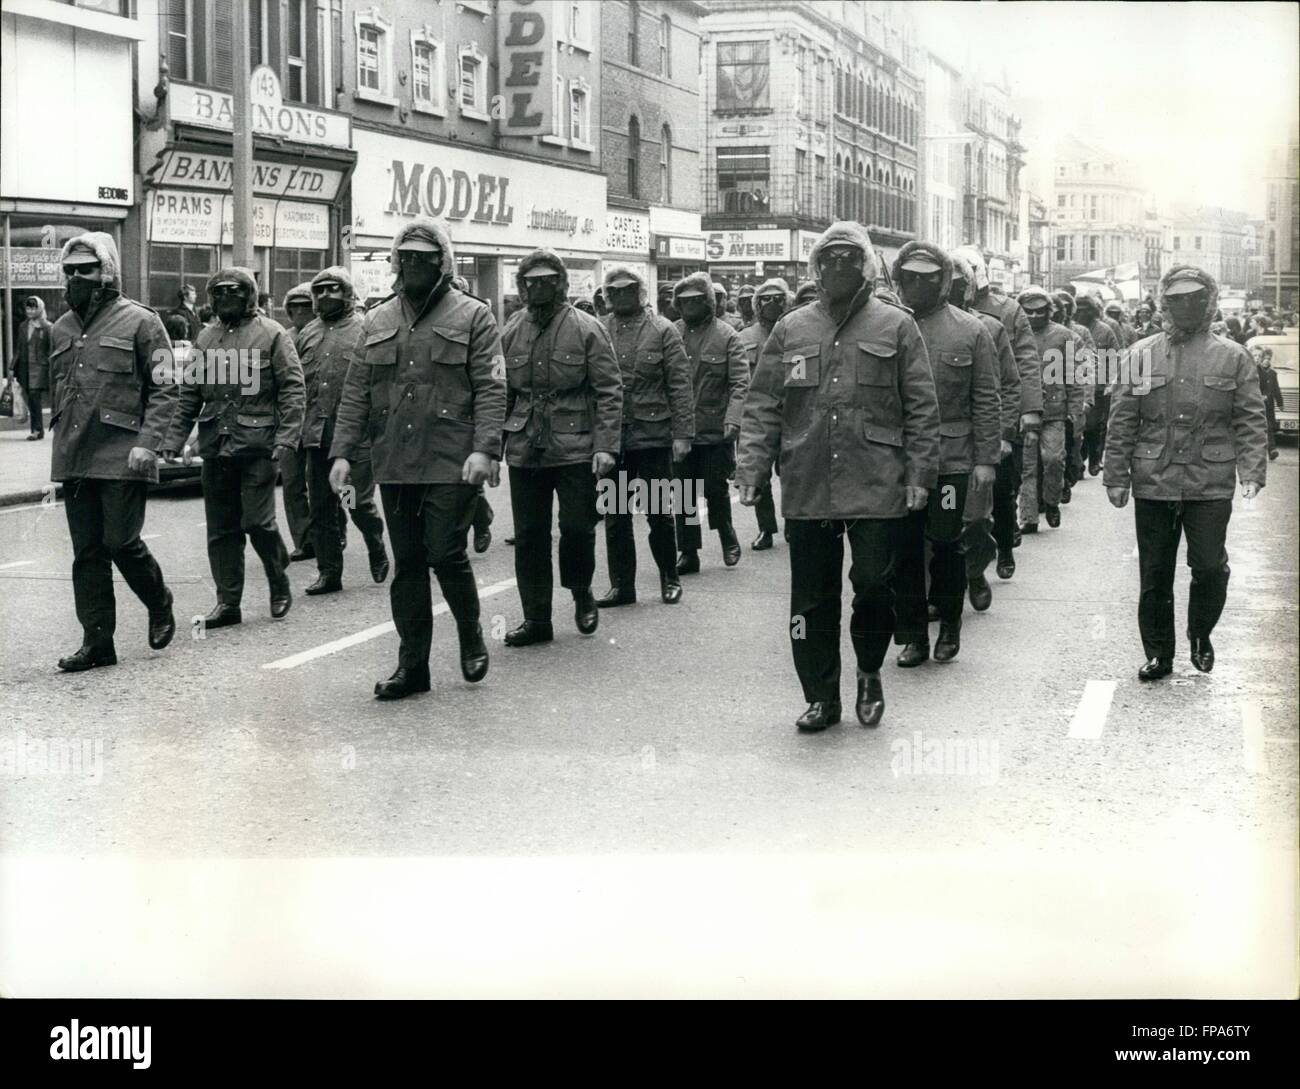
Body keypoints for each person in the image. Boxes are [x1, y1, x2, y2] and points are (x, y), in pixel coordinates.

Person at [737, 221, 941, 732]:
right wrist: (752, 468)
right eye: (829, 259)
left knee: (873, 585)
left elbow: (920, 407)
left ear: (867, 266)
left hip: (877, 479)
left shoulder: (896, 326)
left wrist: (920, 473)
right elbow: (763, 402)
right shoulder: (792, 327)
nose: (839, 267)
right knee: (810, 598)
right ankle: (820, 696)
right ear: (816, 268)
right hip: (808, 478)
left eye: (850, 259)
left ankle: (869, 670)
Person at [331, 217, 503, 698]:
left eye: (423, 259)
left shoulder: (474, 316)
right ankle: (413, 669)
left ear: (442, 263)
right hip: (396, 459)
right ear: (394, 262)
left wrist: (485, 449)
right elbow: (356, 394)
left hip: (452, 457)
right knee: (408, 563)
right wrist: (343, 452)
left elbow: (492, 388)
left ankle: (470, 633)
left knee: (446, 553)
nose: (411, 267)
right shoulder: (377, 320)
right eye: (404, 258)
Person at [1104, 265, 1267, 680]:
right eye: (1177, 299)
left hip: (1209, 480)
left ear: (1208, 302)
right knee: (1155, 572)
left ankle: (1200, 632)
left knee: (1210, 566)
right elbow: (1122, 419)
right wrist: (1116, 475)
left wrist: (1252, 470)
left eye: (1195, 298)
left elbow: (1250, 418)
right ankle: (1159, 652)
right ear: (1166, 304)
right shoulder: (1140, 353)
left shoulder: (1233, 356)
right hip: (1154, 479)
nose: (1186, 306)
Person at [48, 232, 178, 671]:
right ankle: (98, 643)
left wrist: (149, 443)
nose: (77, 277)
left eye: (86, 269)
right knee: (87, 553)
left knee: (122, 542)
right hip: (76, 454)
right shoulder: (61, 327)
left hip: (125, 451)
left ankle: (159, 601)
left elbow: (165, 387)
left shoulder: (141, 321)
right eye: (70, 270)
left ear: (107, 271)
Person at [160, 266, 305, 628]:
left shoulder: (272, 335)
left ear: (249, 296)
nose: (227, 299)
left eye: (235, 292)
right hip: (216, 445)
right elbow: (189, 394)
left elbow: (292, 389)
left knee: (258, 522)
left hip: (258, 445)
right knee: (221, 528)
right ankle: (228, 603)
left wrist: (287, 438)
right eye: (219, 293)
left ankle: (278, 579)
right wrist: (172, 441)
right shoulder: (205, 339)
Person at [499, 248, 622, 647]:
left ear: (561, 283)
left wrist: (606, 446)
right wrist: (490, 448)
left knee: (576, 528)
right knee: (530, 534)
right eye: (531, 281)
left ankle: (581, 591)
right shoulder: (512, 329)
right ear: (522, 286)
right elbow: (498, 392)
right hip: (524, 448)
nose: (539, 287)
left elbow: (608, 389)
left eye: (547, 280)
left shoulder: (587, 327)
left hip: (575, 446)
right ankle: (537, 618)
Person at [890, 242, 1000, 667]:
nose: (918, 285)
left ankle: (950, 625)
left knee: (945, 539)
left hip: (952, 460)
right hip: (899, 459)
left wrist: (987, 459)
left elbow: (986, 398)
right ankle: (914, 635)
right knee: (904, 547)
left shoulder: (971, 331)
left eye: (928, 278)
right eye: (910, 277)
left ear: (944, 282)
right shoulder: (890, 325)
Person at [595, 263, 694, 607]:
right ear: (608, 296)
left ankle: (670, 578)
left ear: (640, 293)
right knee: (616, 515)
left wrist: (683, 435)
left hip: (652, 436)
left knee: (659, 514)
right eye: (615, 291)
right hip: (613, 439)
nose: (622, 296)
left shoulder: (663, 330)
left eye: (628, 290)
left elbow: (680, 385)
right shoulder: (599, 329)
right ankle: (622, 586)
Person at [296, 266, 390, 595]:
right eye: (319, 290)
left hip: (355, 438)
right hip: (317, 436)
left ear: (348, 293)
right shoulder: (306, 333)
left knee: (354, 502)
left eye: (333, 289)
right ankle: (329, 572)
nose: (325, 295)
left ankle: (374, 541)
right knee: (321, 507)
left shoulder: (366, 329)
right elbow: (296, 386)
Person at [952, 245, 1042, 573]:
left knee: (1002, 490)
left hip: (1001, 413)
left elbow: (1025, 363)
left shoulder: (1007, 311)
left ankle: (1004, 547)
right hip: (954, 424)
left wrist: (1028, 414)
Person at [948, 252, 1019, 603]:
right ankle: (944, 592)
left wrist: (1002, 436)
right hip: (931, 446)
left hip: (976, 442)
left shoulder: (989, 328)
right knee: (938, 526)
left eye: (959, 285)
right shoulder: (909, 325)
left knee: (976, 519)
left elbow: (1007, 385)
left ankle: (975, 572)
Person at [671, 272, 749, 575]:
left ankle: (726, 534)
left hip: (715, 429)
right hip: (679, 430)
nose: (690, 306)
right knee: (684, 491)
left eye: (697, 300)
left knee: (716, 489)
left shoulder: (728, 335)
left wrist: (734, 418)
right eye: (684, 301)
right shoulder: (671, 333)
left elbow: (740, 383)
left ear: (709, 302)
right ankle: (688, 551)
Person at [1017, 286, 1084, 533]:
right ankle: (1028, 516)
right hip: (1023, 412)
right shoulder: (1014, 335)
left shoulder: (1064, 337)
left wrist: (1076, 410)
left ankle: (1051, 501)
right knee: (1027, 465)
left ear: (1050, 311)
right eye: (1029, 312)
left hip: (1055, 411)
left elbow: (1075, 376)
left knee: (1053, 460)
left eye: (1040, 311)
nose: (1034, 316)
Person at [737, 278, 791, 550]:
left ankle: (793, 522)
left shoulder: (795, 331)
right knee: (760, 476)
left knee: (790, 471)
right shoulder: (745, 337)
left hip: (790, 414)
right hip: (756, 414)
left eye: (778, 298)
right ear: (757, 303)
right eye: (766, 298)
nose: (772, 303)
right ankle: (766, 529)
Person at [280, 281, 316, 561]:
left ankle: (337, 528)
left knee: (336, 486)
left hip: (322, 419)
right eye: (294, 307)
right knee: (292, 484)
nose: (300, 312)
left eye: (306, 306)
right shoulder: (282, 337)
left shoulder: (328, 334)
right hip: (290, 420)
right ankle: (304, 540)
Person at [1074, 292, 1120, 477]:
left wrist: (1111, 381)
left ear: (1093, 311)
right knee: (1078, 426)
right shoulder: (1073, 330)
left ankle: (1094, 459)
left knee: (1094, 425)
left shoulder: (1105, 330)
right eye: (1080, 310)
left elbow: (1115, 356)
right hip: (1076, 385)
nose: (1082, 314)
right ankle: (1078, 461)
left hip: (1099, 384)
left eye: (1086, 310)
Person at [16, 296, 51, 440]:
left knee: (35, 397)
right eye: (28, 308)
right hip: (25, 368)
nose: (30, 311)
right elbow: (18, 348)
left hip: (40, 368)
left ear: (40, 308)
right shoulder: (23, 326)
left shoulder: (47, 327)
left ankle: (37, 430)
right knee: (30, 399)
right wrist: (12, 368)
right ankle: (36, 429)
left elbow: (52, 348)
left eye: (34, 308)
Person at [1251, 345, 1283, 460]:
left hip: (1263, 405)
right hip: (1248, 404)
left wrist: (1278, 402)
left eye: (1259, 356)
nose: (1257, 358)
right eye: (1255, 355)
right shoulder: (1246, 369)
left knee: (1268, 427)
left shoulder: (1266, 373)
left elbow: (1271, 389)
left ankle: (1271, 449)